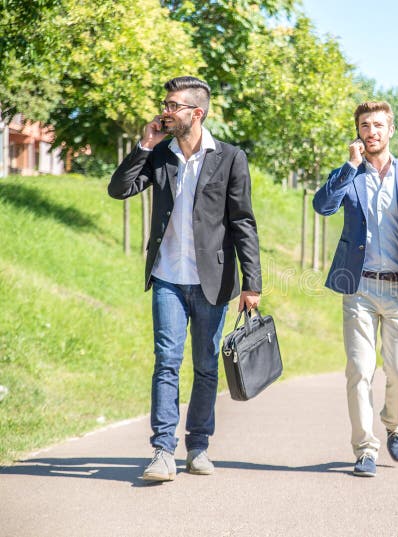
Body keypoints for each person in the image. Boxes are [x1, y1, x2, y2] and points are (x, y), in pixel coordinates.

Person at [108, 76, 262, 482]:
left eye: (174, 105)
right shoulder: (160, 156)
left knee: (207, 366)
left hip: (213, 280)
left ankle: (198, 446)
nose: (165, 111)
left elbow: (243, 222)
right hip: (167, 278)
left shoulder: (229, 157)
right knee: (167, 363)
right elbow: (119, 189)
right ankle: (162, 451)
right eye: (165, 103)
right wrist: (144, 145)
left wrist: (252, 283)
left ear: (197, 112)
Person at [313, 101, 398, 477]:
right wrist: (348, 167)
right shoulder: (349, 174)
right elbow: (322, 206)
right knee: (359, 369)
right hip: (359, 287)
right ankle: (365, 449)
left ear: (391, 130)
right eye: (365, 126)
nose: (372, 132)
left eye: (378, 125)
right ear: (358, 132)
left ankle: (394, 421)